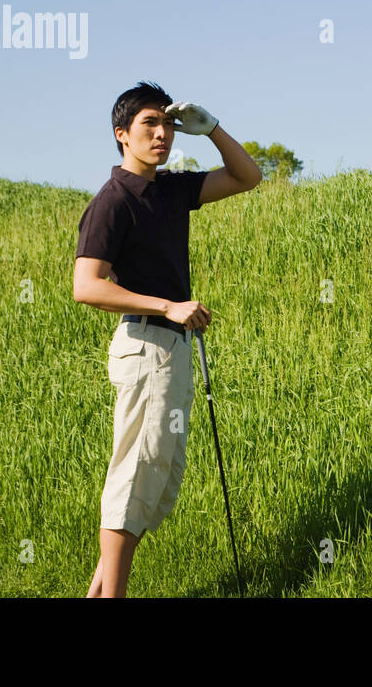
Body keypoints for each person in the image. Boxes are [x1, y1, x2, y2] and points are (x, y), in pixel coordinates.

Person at [73, 81, 261, 597]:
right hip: (145, 345)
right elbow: (86, 286)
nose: (161, 134)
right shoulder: (112, 201)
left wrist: (213, 128)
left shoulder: (171, 190)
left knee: (149, 481)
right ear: (121, 135)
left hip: (172, 348)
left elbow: (249, 176)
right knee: (134, 478)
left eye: (167, 124)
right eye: (148, 125)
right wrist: (168, 306)